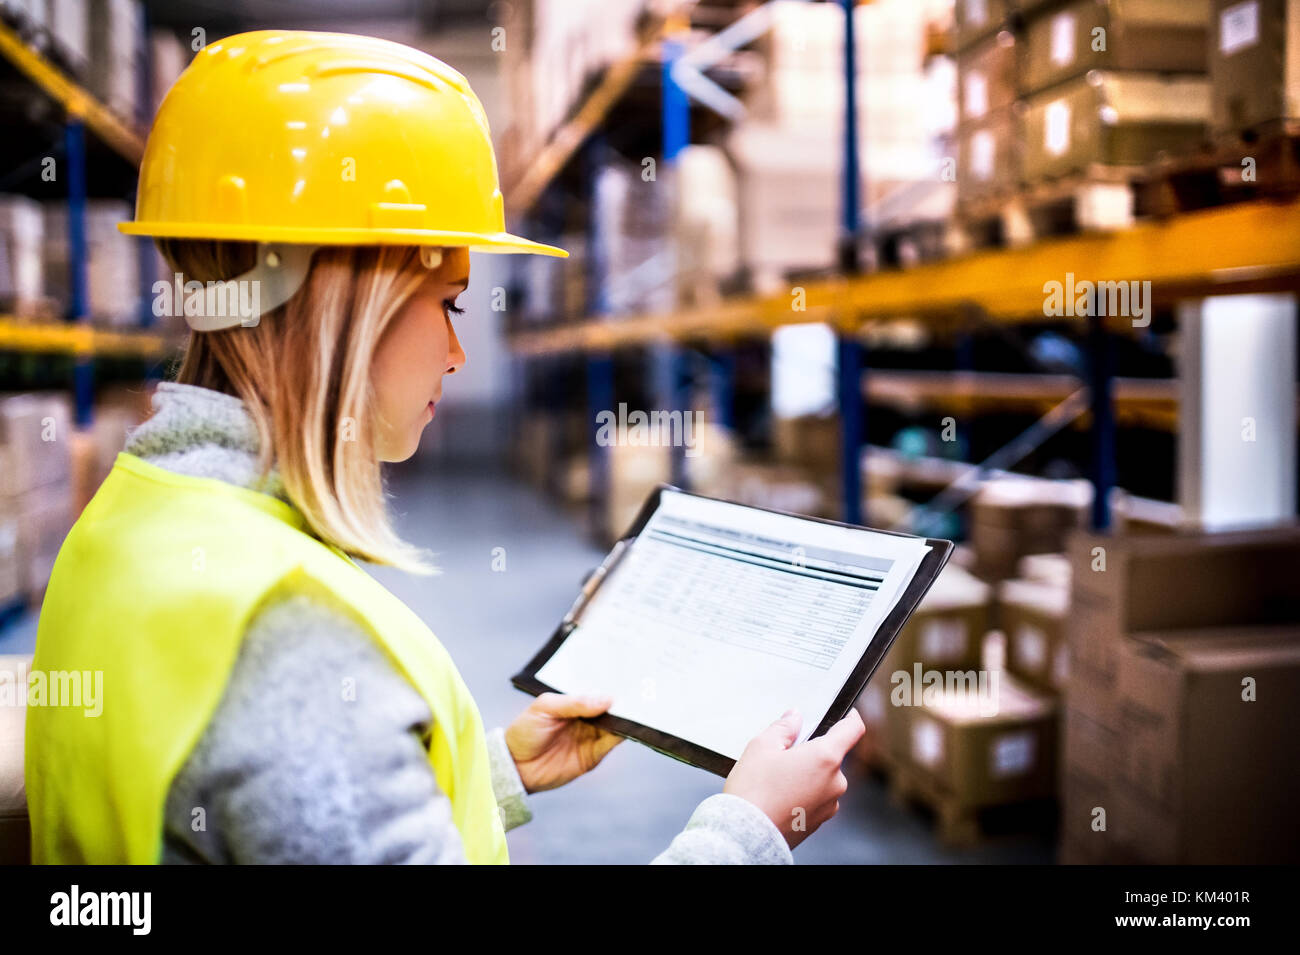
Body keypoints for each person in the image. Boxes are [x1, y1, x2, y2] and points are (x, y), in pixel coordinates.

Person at [25, 30, 864, 865]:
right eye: (450, 305)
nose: (458, 354)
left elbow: (293, 814)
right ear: (346, 301)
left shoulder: (125, 523)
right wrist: (750, 829)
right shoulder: (286, 632)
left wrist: (491, 770)